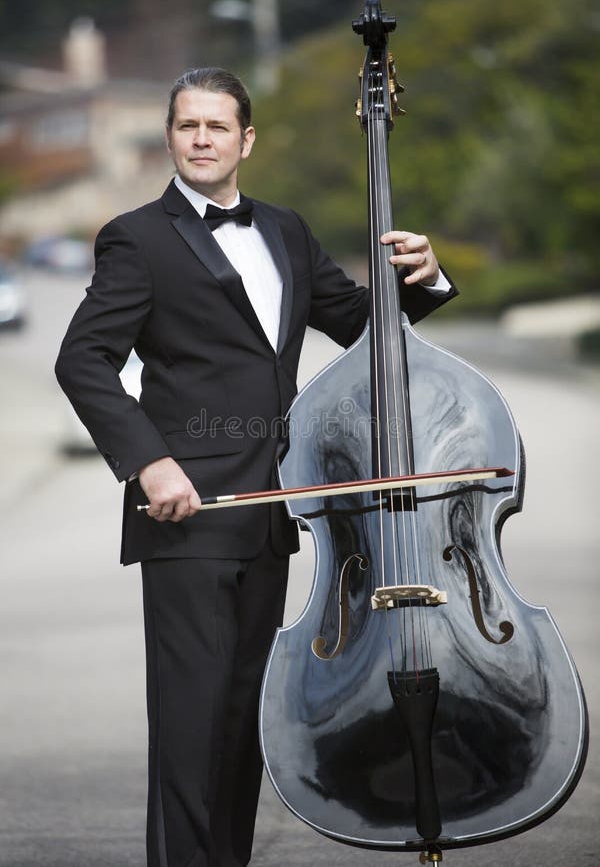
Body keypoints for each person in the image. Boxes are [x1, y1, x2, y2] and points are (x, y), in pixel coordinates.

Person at [55, 67, 457, 867]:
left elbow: (365, 330)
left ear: (246, 140)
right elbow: (83, 360)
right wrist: (149, 464)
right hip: (189, 517)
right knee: (190, 724)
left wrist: (423, 276)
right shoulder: (136, 236)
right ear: (170, 137)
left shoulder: (285, 231)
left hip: (274, 513)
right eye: (185, 126)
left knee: (241, 725)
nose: (200, 139)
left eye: (216, 126)